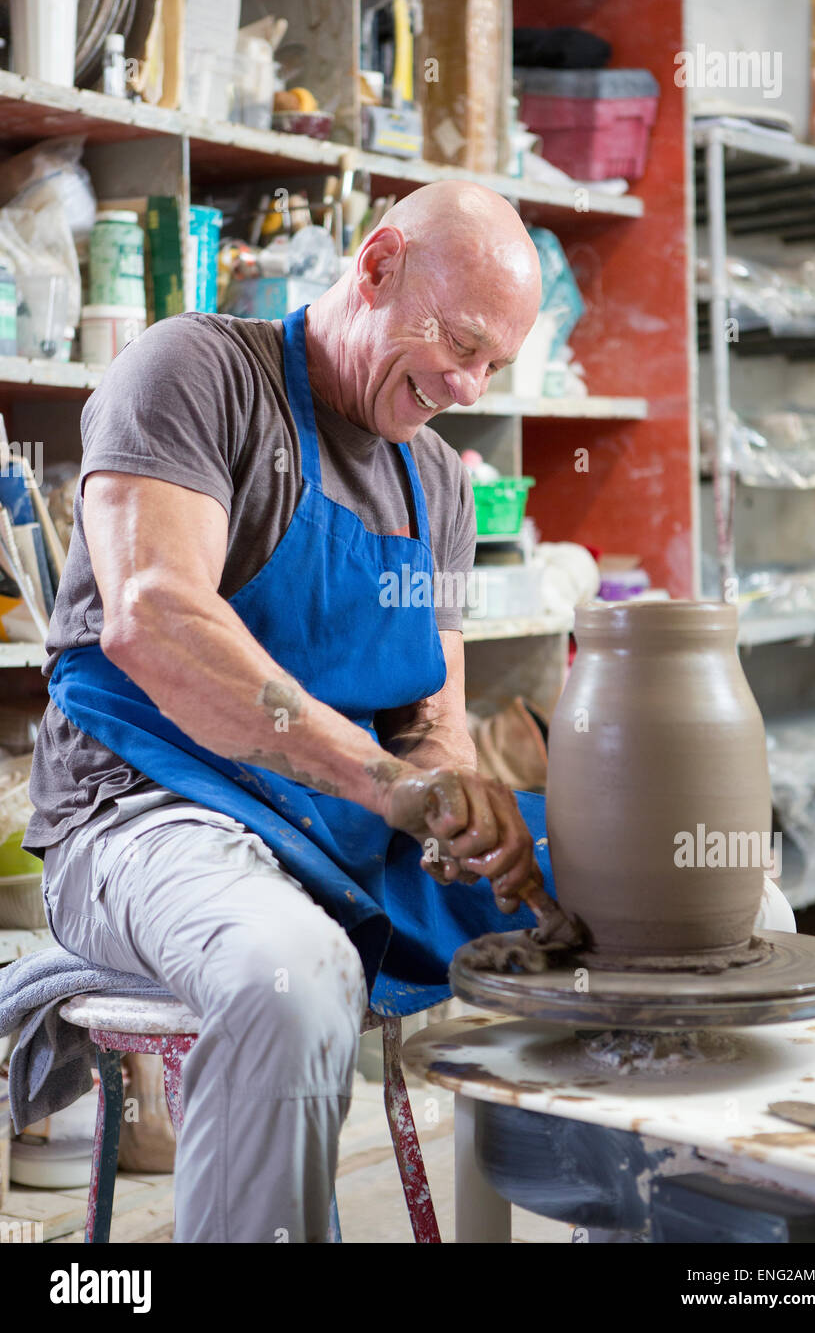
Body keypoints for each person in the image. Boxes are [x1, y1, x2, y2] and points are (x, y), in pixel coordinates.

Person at [23, 180, 551, 1242]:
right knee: (288, 976)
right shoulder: (197, 373)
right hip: (147, 811)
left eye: (493, 362)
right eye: (456, 341)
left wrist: (454, 796)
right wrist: (390, 786)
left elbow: (430, 718)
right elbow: (153, 617)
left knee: (685, 916)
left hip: (342, 829)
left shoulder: (438, 483)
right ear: (376, 264)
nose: (465, 381)